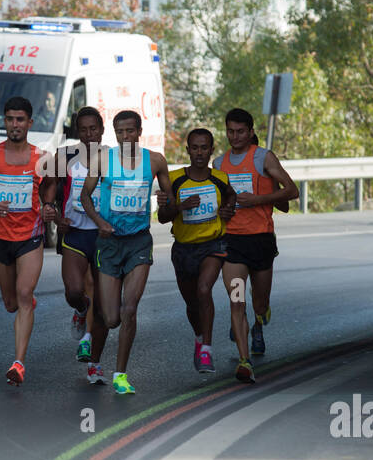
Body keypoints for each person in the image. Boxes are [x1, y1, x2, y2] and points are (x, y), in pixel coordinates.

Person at [79, 110, 175, 394]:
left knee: (130, 309)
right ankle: (95, 356)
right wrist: (99, 222)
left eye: (130, 131)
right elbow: (85, 195)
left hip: (138, 243)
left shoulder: (155, 160)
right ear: (114, 133)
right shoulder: (103, 160)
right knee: (111, 318)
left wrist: (164, 200)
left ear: (139, 131)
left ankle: (121, 374)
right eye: (120, 132)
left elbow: (169, 207)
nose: (125, 137)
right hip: (109, 245)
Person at [0, 96, 55, 386]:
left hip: (30, 235)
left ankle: (18, 363)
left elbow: (51, 189)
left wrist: (47, 206)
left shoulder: (42, 159)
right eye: (9, 119)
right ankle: (23, 300)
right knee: (10, 303)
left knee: (24, 294)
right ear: (4, 122)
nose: (14, 124)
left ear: (30, 123)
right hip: (0, 236)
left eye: (20, 119)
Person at [215, 108, 299, 370]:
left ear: (250, 132)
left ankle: (259, 321)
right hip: (233, 243)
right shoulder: (219, 164)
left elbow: (292, 190)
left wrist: (258, 200)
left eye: (240, 131)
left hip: (261, 240)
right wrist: (223, 210)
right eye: (231, 131)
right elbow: (220, 199)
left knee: (259, 301)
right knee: (236, 300)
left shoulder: (263, 157)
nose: (235, 136)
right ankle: (244, 360)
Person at [159, 128, 238, 375]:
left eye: (204, 148)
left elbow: (231, 197)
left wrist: (228, 210)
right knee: (192, 303)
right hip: (183, 248)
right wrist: (180, 206)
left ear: (211, 150)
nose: (200, 152)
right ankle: (199, 335)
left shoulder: (220, 178)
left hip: (213, 245)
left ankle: (206, 349)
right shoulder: (175, 179)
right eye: (195, 147)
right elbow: (162, 217)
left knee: (204, 290)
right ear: (188, 150)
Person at [40, 107, 110, 371]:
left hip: (103, 235)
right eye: (84, 129)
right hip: (74, 232)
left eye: (94, 129)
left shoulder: (113, 159)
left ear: (102, 130)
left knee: (97, 293)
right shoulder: (65, 157)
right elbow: (47, 187)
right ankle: (80, 311)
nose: (89, 134)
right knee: (74, 291)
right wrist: (54, 214)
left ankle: (89, 345)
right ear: (78, 132)